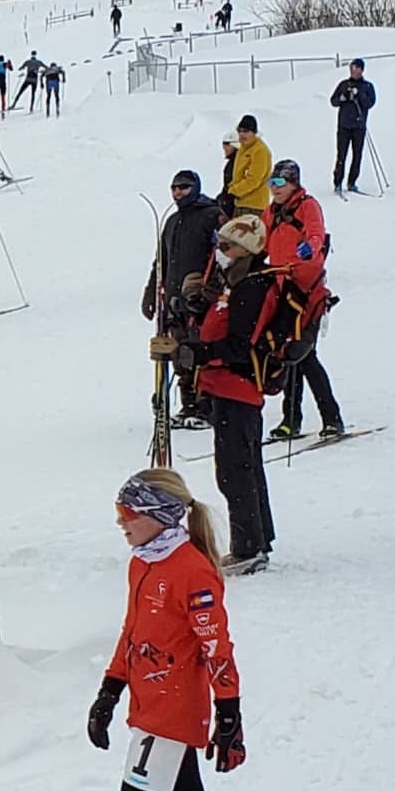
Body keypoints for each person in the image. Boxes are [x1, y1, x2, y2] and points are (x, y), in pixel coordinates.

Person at [85, 469, 272, 791]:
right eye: (118, 515)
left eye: (128, 515)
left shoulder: (191, 570)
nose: (121, 525)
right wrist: (110, 690)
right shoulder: (142, 563)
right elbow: (132, 632)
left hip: (175, 708)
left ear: (158, 516)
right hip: (150, 701)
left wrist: (229, 716)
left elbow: (217, 649)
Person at [177, 214, 275, 573]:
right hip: (227, 387)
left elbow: (237, 344)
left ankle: (248, 547)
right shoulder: (236, 281)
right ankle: (257, 540)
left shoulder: (251, 286)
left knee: (235, 470)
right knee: (242, 467)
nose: (219, 252)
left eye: (227, 246)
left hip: (239, 386)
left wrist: (196, 353)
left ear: (245, 250)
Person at [263, 159, 342, 441]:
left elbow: (316, 232)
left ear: (293, 183)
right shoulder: (271, 212)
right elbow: (259, 240)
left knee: (304, 355)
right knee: (288, 354)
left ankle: (329, 417)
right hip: (281, 290)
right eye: (272, 184)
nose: (275, 189)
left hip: (306, 291)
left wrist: (312, 246)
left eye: (280, 183)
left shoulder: (307, 205)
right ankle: (292, 420)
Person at [141, 171, 223, 428]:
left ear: (196, 187)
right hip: (174, 298)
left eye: (184, 187)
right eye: (174, 188)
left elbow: (225, 257)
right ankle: (187, 404)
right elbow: (161, 261)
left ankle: (206, 405)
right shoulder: (172, 221)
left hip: (201, 298)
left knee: (202, 351)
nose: (178, 193)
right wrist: (151, 292)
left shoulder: (212, 215)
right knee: (178, 352)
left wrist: (210, 292)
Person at [329, 58, 376, 196]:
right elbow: (333, 101)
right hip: (344, 126)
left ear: (362, 70)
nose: (354, 72)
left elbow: (370, 103)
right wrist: (343, 98)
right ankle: (338, 182)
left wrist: (359, 94)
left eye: (356, 69)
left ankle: (352, 182)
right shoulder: (344, 84)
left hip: (359, 127)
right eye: (352, 69)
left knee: (357, 156)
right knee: (341, 156)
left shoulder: (367, 86)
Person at [227, 116, 272, 214]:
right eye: (240, 131)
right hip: (240, 203)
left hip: (255, 206)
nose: (242, 134)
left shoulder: (260, 151)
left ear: (254, 132)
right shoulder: (243, 149)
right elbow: (238, 176)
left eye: (246, 131)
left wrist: (234, 192)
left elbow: (254, 179)